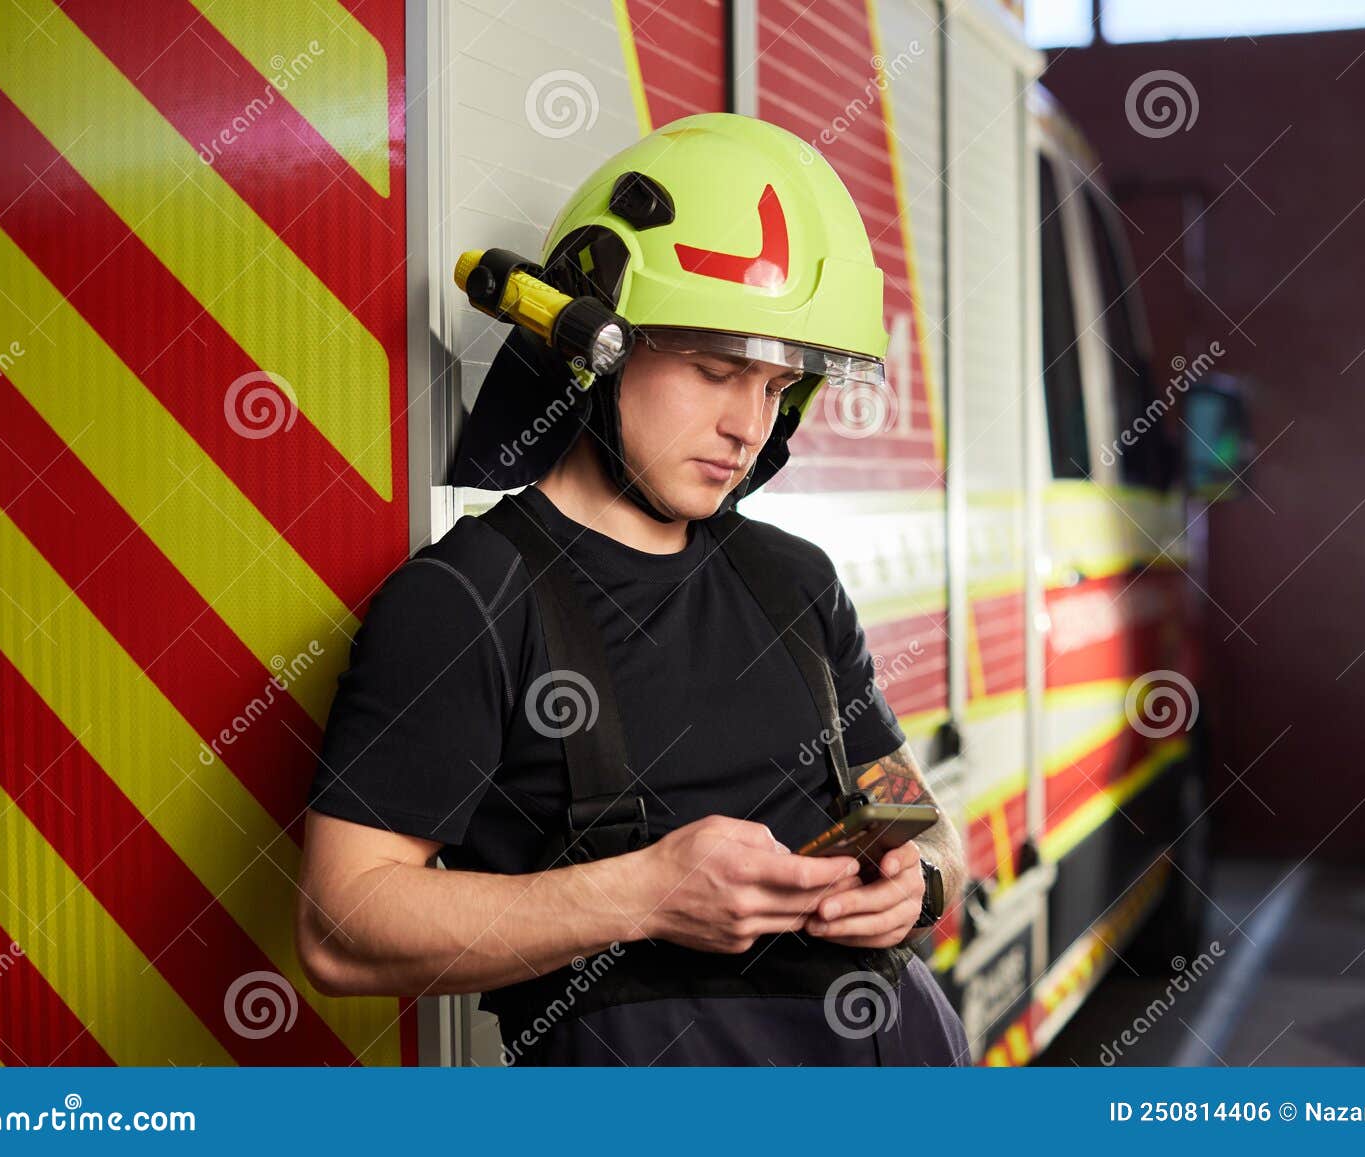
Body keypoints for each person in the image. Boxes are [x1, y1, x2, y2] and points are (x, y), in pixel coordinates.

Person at [295, 112, 970, 1066]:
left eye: (777, 388)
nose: (747, 424)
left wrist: (923, 877)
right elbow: (339, 924)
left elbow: (904, 802)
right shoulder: (465, 600)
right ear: (595, 349)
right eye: (714, 370)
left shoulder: (794, 579)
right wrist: (645, 891)